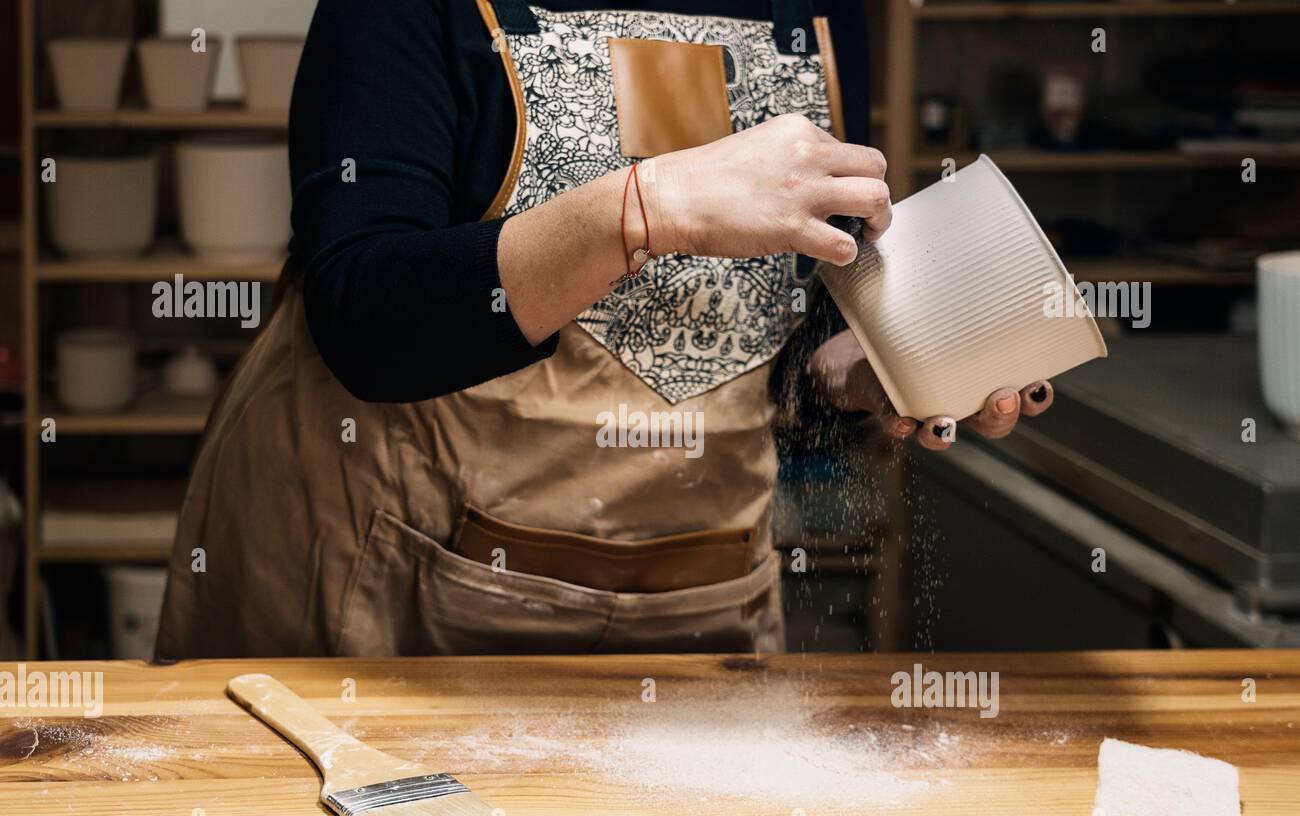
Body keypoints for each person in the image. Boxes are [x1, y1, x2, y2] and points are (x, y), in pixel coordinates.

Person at [155, 0, 1053, 658]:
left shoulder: (819, 13)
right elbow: (364, 316)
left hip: (699, 597)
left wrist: (858, 363)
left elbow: (758, 314)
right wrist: (649, 205)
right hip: (404, 587)